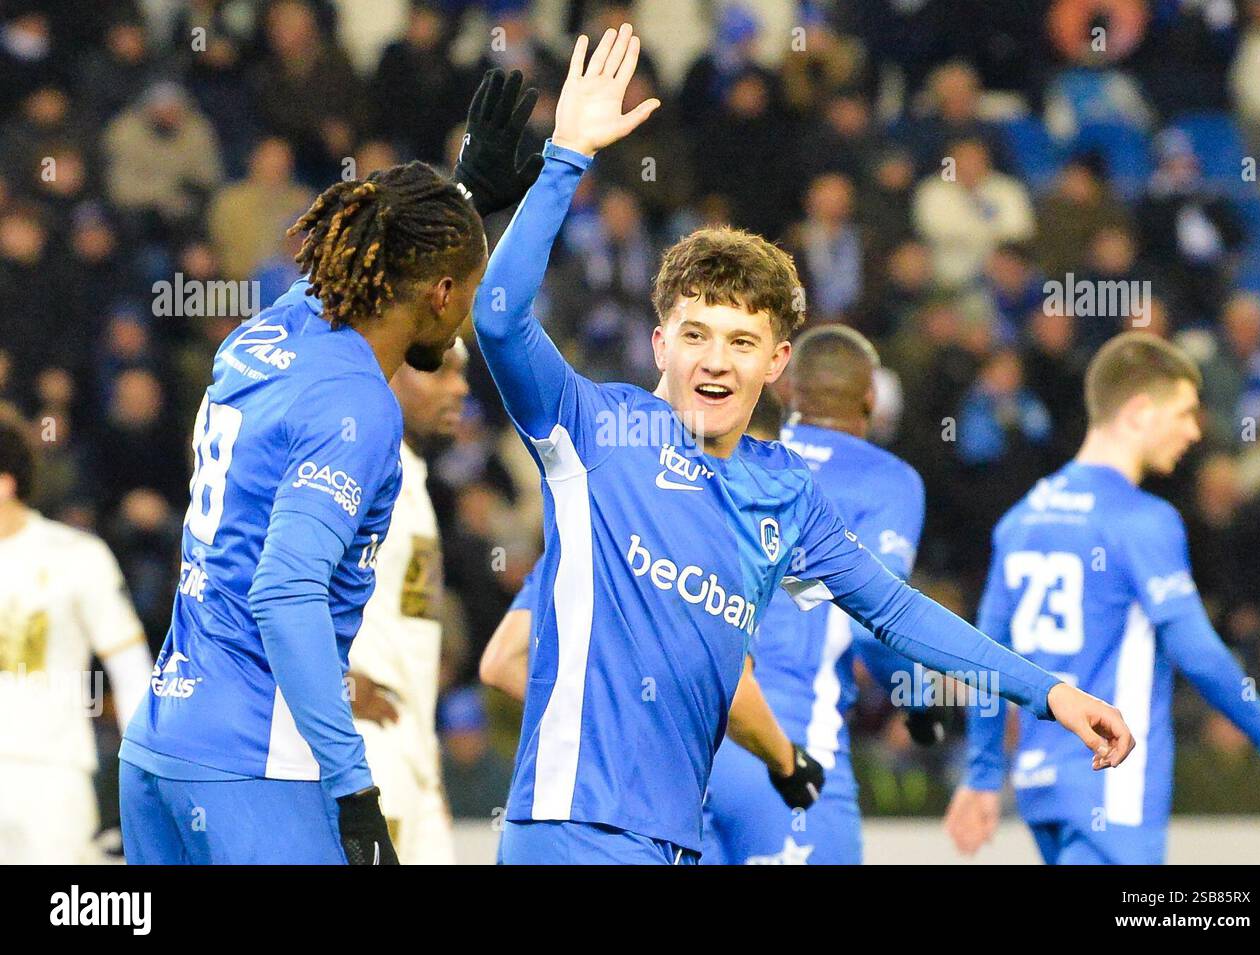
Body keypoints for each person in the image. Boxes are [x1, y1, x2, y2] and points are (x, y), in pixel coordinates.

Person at [474, 24, 1132, 866]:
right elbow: (497, 317)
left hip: (672, 841)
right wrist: (565, 154)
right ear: (659, 344)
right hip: (569, 830)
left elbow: (894, 611)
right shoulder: (595, 429)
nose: (716, 360)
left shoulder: (783, 491)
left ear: (777, 361)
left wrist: (1053, 693)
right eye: (697, 335)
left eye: (742, 342)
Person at [116, 67, 542, 865]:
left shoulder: (269, 332)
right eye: (469, 289)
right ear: (444, 293)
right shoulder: (360, 410)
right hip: (257, 766)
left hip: (161, 748)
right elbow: (284, 590)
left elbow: (387, 257)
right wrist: (353, 786)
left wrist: (463, 199)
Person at [946, 332, 1260, 865]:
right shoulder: (1142, 520)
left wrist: (982, 774)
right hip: (1113, 780)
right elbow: (1198, 653)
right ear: (1138, 412)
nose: (1194, 430)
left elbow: (984, 659)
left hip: (1043, 785)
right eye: (1182, 412)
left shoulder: (1022, 518)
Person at [702, 326, 932, 865]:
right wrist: (918, 700)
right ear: (871, 399)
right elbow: (871, 616)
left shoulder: (738, 463)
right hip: (792, 746)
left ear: (786, 391)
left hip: (697, 752)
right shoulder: (888, 480)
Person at [0, 408, 152, 862]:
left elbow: (130, 673)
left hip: (51, 778)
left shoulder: (76, 556)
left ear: (6, 481)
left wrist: (146, 780)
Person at [346, 340, 470, 864]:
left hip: (412, 738)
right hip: (362, 736)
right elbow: (267, 579)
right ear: (391, 372)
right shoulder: (355, 462)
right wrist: (335, 684)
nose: (460, 388)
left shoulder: (411, 474)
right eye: (441, 373)